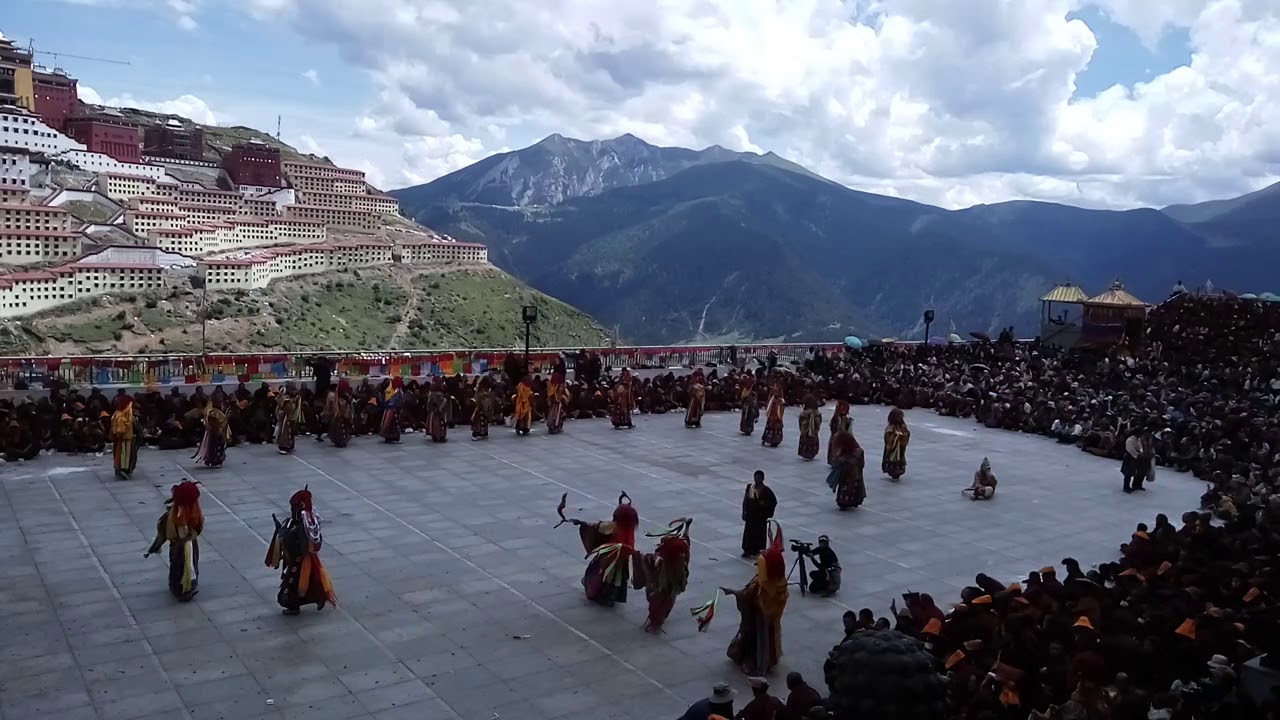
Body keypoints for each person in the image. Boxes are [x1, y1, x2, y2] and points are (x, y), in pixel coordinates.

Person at [723, 521, 788, 675]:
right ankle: (771, 659)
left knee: (755, 642)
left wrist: (733, 592)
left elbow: (747, 596)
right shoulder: (780, 582)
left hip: (758, 619)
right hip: (771, 619)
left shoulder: (761, 585)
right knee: (771, 638)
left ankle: (754, 663)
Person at [266, 486, 336, 616]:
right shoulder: (304, 522)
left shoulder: (304, 525)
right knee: (307, 582)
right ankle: (317, 597)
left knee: (291, 589)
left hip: (300, 561)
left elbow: (297, 545)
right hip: (301, 560)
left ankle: (298, 604)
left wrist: (283, 535)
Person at [573, 493, 640, 606]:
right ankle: (612, 596)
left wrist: (583, 524)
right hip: (622, 558)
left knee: (601, 575)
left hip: (608, 557)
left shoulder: (613, 526)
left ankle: (599, 594)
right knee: (618, 577)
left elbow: (598, 527)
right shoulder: (630, 527)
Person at [145, 481, 203, 602]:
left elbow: (199, 526)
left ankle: (190, 585)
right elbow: (163, 533)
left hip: (191, 545)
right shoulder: (173, 516)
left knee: (191, 565)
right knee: (178, 567)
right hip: (178, 547)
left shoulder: (194, 512)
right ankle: (177, 589)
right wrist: (154, 547)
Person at [636, 517, 692, 632]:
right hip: (676, 582)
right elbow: (686, 540)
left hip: (663, 583)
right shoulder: (683, 554)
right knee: (669, 600)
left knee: (656, 600)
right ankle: (659, 619)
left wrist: (639, 556)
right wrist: (687, 527)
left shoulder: (662, 560)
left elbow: (649, 562)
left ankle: (656, 622)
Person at [741, 470, 777, 557]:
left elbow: (773, 502)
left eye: (759, 478)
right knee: (748, 533)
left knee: (759, 533)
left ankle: (757, 549)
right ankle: (747, 549)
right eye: (756, 478)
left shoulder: (766, 490)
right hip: (750, 516)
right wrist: (744, 512)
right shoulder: (750, 487)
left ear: (762, 479)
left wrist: (765, 506)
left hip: (760, 517)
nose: (757, 480)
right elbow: (745, 500)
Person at [827, 430, 866, 510]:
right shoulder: (859, 451)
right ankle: (854, 500)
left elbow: (836, 463)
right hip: (857, 477)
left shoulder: (843, 457)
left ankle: (845, 501)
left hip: (847, 478)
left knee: (846, 488)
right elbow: (862, 465)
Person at [191, 400, 230, 468]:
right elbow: (213, 423)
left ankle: (215, 460)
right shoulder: (213, 413)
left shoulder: (216, 412)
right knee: (213, 447)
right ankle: (213, 460)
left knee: (217, 447)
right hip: (213, 432)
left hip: (216, 432)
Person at [110, 393, 138, 479]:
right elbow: (121, 428)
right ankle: (123, 469)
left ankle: (123, 469)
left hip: (124, 438)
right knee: (124, 454)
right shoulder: (122, 415)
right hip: (124, 439)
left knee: (123, 454)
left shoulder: (120, 413)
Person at [882, 407, 910, 480]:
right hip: (893, 448)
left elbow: (907, 433)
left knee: (899, 457)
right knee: (892, 458)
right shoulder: (890, 427)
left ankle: (898, 470)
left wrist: (903, 435)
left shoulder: (903, 426)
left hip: (900, 448)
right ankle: (893, 471)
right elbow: (887, 436)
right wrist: (894, 435)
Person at [275, 383, 304, 454]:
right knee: (284, 432)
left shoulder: (296, 397)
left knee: (291, 432)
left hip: (292, 416)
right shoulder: (284, 398)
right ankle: (282, 446)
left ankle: (289, 445)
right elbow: (280, 404)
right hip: (284, 417)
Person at [325, 379, 353, 447]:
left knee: (340, 427)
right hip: (340, 414)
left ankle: (340, 440)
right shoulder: (338, 395)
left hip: (339, 414)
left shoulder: (338, 394)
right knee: (340, 427)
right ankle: (341, 440)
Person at [379, 377, 404, 443]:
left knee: (388, 423)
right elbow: (396, 400)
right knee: (393, 424)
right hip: (393, 410)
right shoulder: (396, 390)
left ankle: (388, 437)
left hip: (388, 409)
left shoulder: (390, 389)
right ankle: (393, 438)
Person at [797, 394, 822, 460]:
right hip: (809, 432)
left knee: (809, 439)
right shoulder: (806, 413)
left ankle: (809, 453)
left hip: (810, 432)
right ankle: (809, 453)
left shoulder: (815, 413)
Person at [1122, 428, 1147, 493]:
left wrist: (1141, 452)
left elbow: (1140, 447)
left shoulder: (1138, 439)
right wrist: (1137, 455)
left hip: (1137, 456)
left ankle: (1136, 485)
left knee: (1138, 471)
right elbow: (1130, 449)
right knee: (1128, 473)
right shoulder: (1130, 440)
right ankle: (1126, 487)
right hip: (1129, 457)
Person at [827, 400, 852, 465]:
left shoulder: (847, 419)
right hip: (836, 437)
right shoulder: (835, 418)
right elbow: (832, 427)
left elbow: (849, 429)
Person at [761, 382, 785, 448]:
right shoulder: (772, 399)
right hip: (772, 416)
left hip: (777, 416)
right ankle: (768, 439)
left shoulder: (780, 400)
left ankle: (775, 441)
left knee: (775, 427)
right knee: (770, 426)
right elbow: (768, 405)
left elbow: (782, 408)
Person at [425, 377, 449, 443]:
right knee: (439, 424)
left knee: (435, 425)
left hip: (433, 412)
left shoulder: (431, 392)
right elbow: (440, 401)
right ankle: (440, 436)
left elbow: (429, 404)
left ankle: (435, 436)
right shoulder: (437, 393)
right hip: (437, 412)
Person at [546, 370, 568, 434]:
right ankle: (557, 427)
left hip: (553, 403)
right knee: (558, 415)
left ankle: (553, 427)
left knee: (553, 415)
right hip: (558, 403)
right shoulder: (559, 385)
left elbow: (549, 394)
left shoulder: (550, 385)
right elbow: (562, 394)